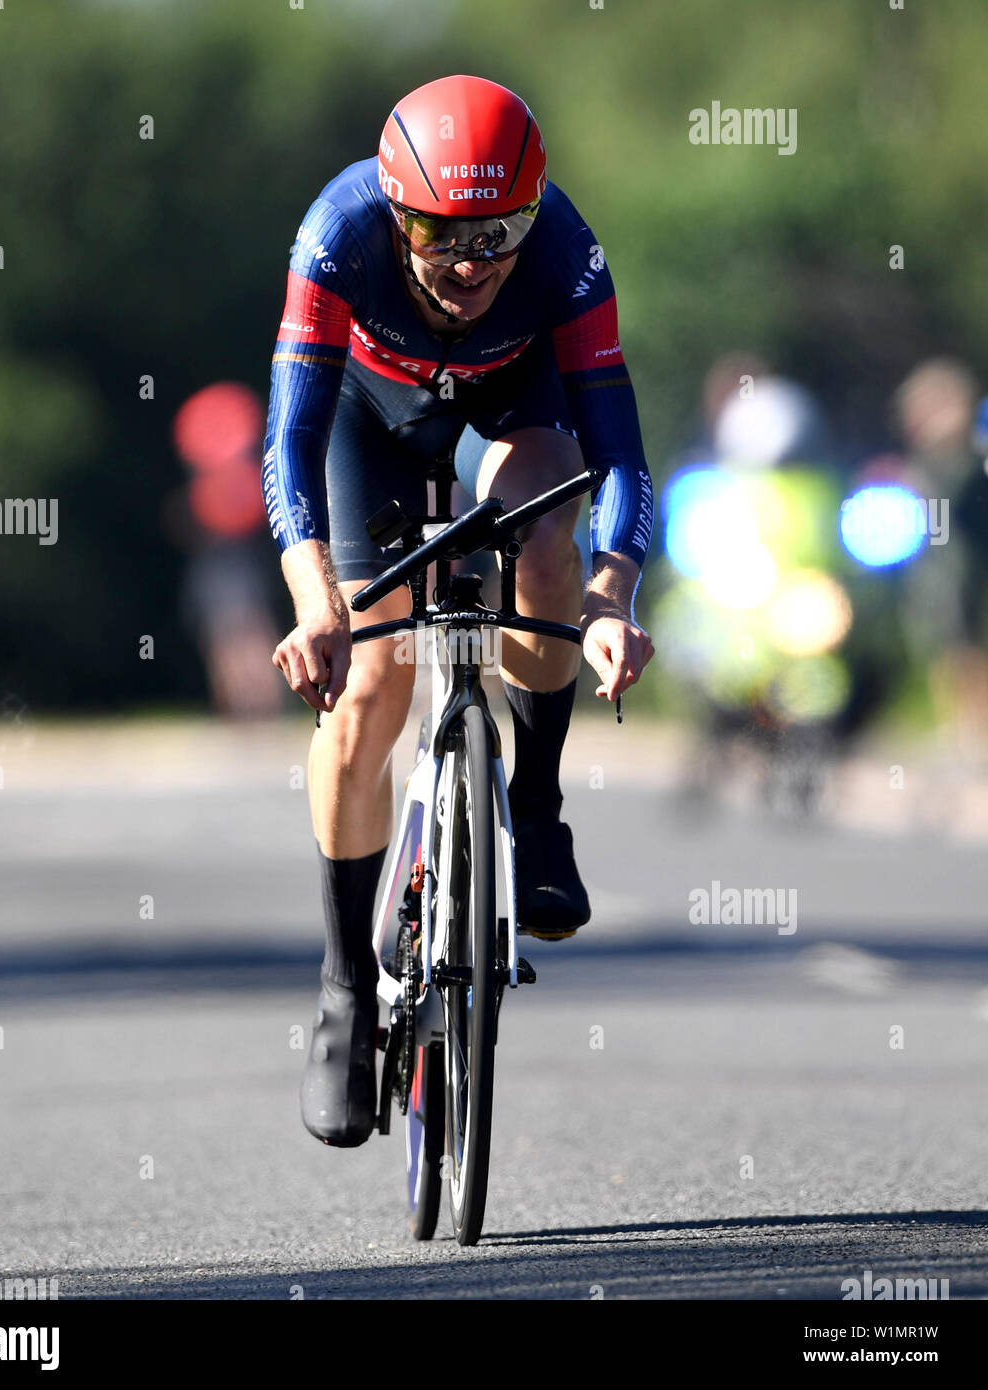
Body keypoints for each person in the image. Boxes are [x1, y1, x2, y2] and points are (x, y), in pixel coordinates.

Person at [262, 75, 655, 1146]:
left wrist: (613, 598)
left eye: (498, 233)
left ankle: (533, 808)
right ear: (397, 212)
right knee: (373, 681)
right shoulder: (337, 236)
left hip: (513, 405)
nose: (471, 262)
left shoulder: (567, 250)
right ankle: (346, 988)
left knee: (547, 523)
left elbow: (621, 453)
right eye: (439, 233)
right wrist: (317, 605)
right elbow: (287, 443)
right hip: (367, 419)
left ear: (534, 212)